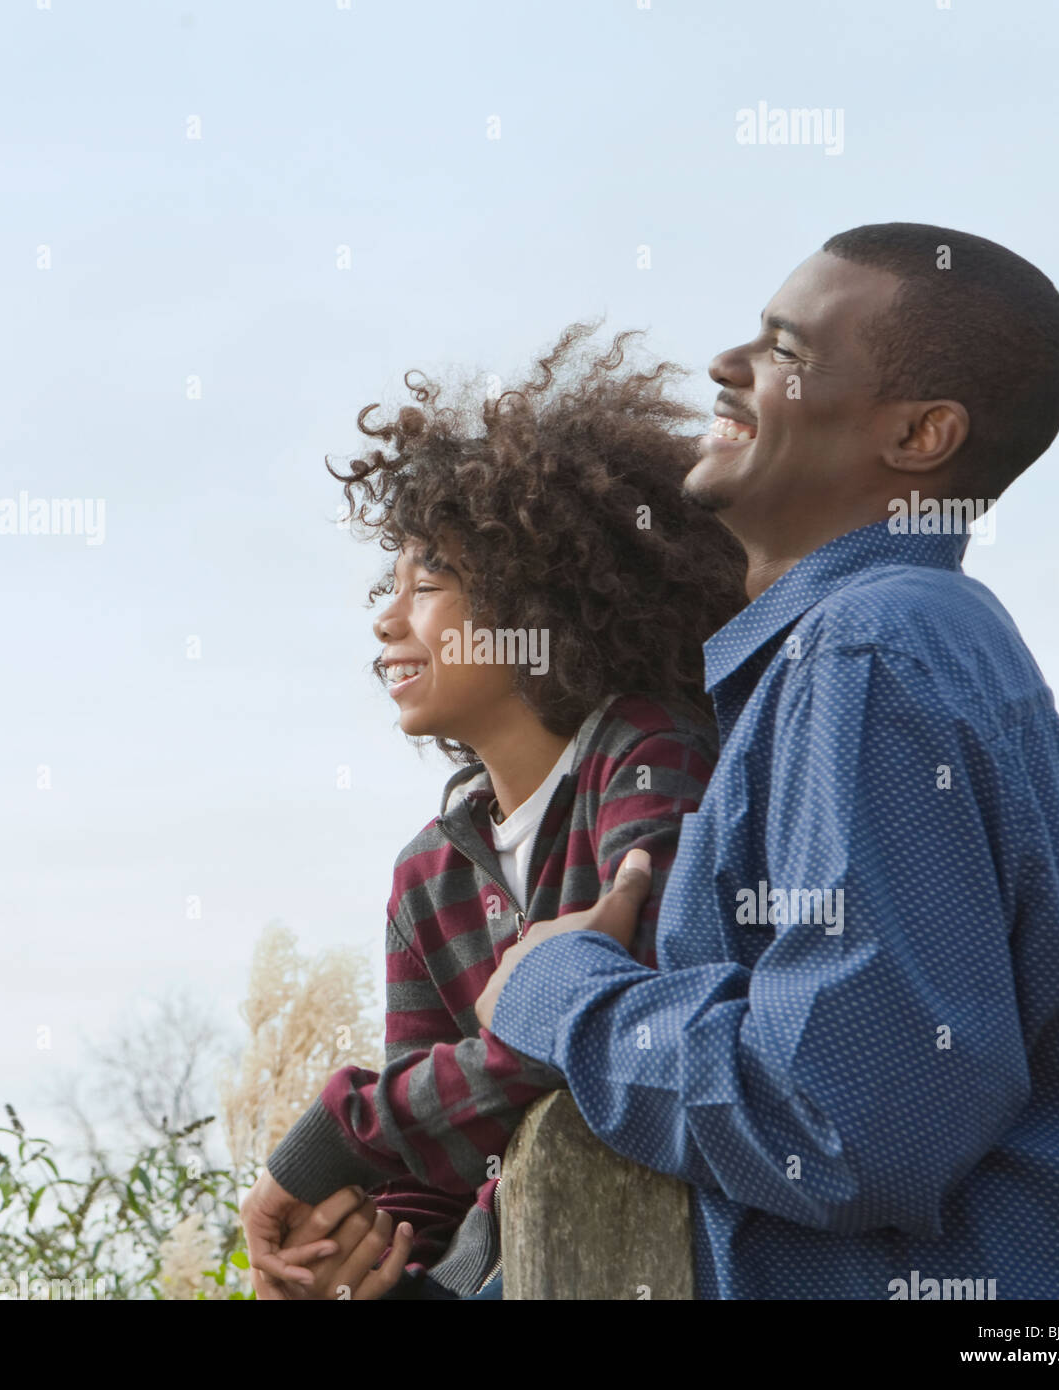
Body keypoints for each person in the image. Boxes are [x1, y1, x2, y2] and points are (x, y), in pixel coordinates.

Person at [474, 223, 1059, 1299]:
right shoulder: (892, 644)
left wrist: (563, 988)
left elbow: (848, 1119)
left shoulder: (867, 650)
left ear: (921, 435)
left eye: (785, 351)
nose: (726, 366)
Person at [239, 323, 747, 1299]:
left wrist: (333, 1134)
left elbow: (618, 1021)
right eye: (387, 588)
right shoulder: (426, 876)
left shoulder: (650, 756)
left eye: (428, 583)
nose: (388, 620)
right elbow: (425, 1173)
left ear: (537, 602)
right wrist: (351, 1252)